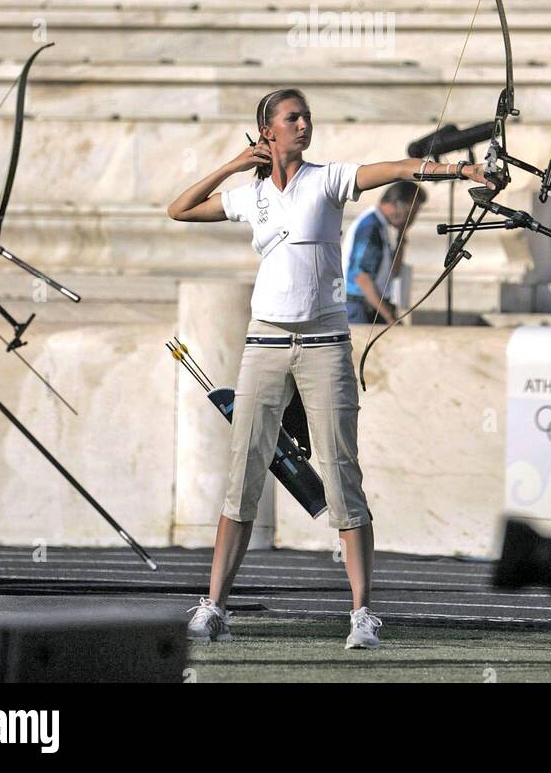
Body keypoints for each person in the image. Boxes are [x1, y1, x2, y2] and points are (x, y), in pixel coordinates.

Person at [167, 86, 495, 650]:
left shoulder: (327, 179)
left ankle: (363, 613)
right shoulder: (249, 197)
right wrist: (232, 163)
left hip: (325, 345)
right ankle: (214, 605)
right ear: (268, 131)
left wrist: (458, 168)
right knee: (244, 473)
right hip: (264, 345)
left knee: (342, 473)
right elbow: (180, 209)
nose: (304, 124)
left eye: (306, 117)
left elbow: (391, 167)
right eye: (292, 118)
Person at [342, 181, 425, 325]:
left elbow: (394, 271)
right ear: (398, 203)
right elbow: (362, 277)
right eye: (412, 212)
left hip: (370, 307)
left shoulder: (380, 226)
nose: (412, 219)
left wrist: (402, 234)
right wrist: (390, 317)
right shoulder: (370, 227)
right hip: (360, 309)